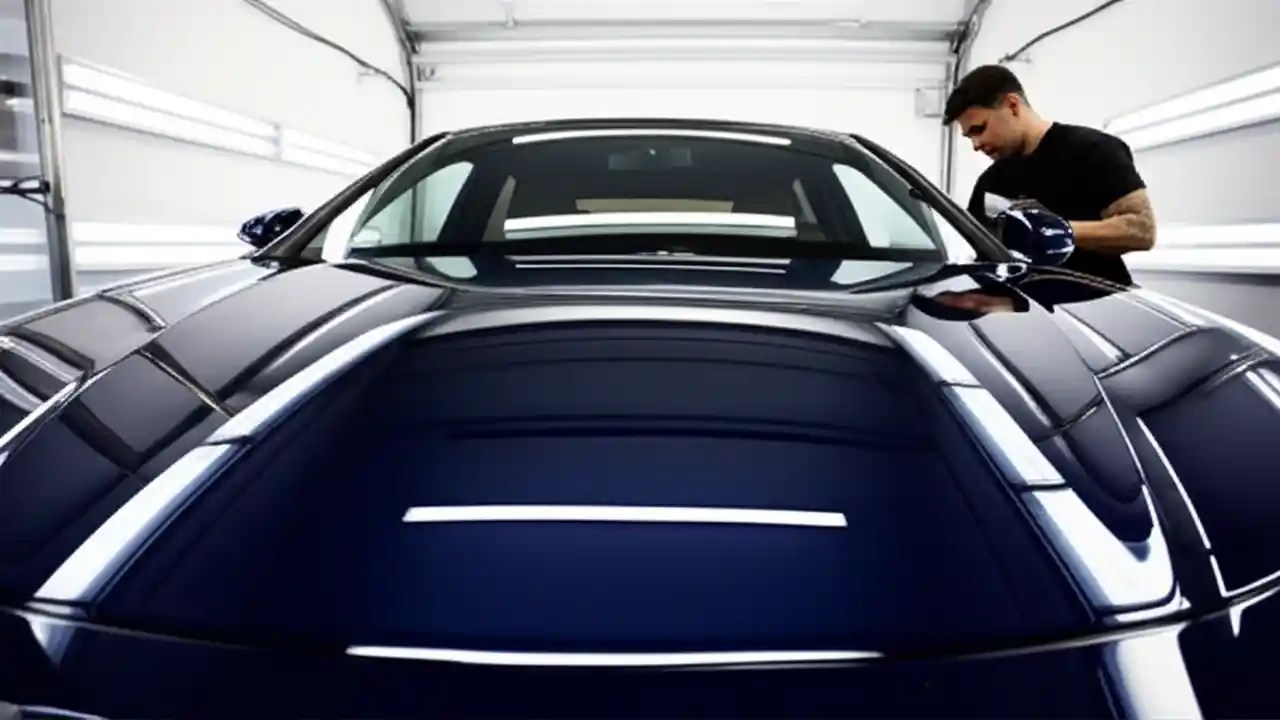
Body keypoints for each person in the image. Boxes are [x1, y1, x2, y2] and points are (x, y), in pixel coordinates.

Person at [943, 64, 1156, 286]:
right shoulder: (989, 183)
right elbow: (975, 249)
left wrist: (1058, 232)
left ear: (1013, 106)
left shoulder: (1094, 149)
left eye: (979, 129)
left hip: (1095, 299)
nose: (976, 145)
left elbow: (1142, 229)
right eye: (969, 137)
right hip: (1022, 302)